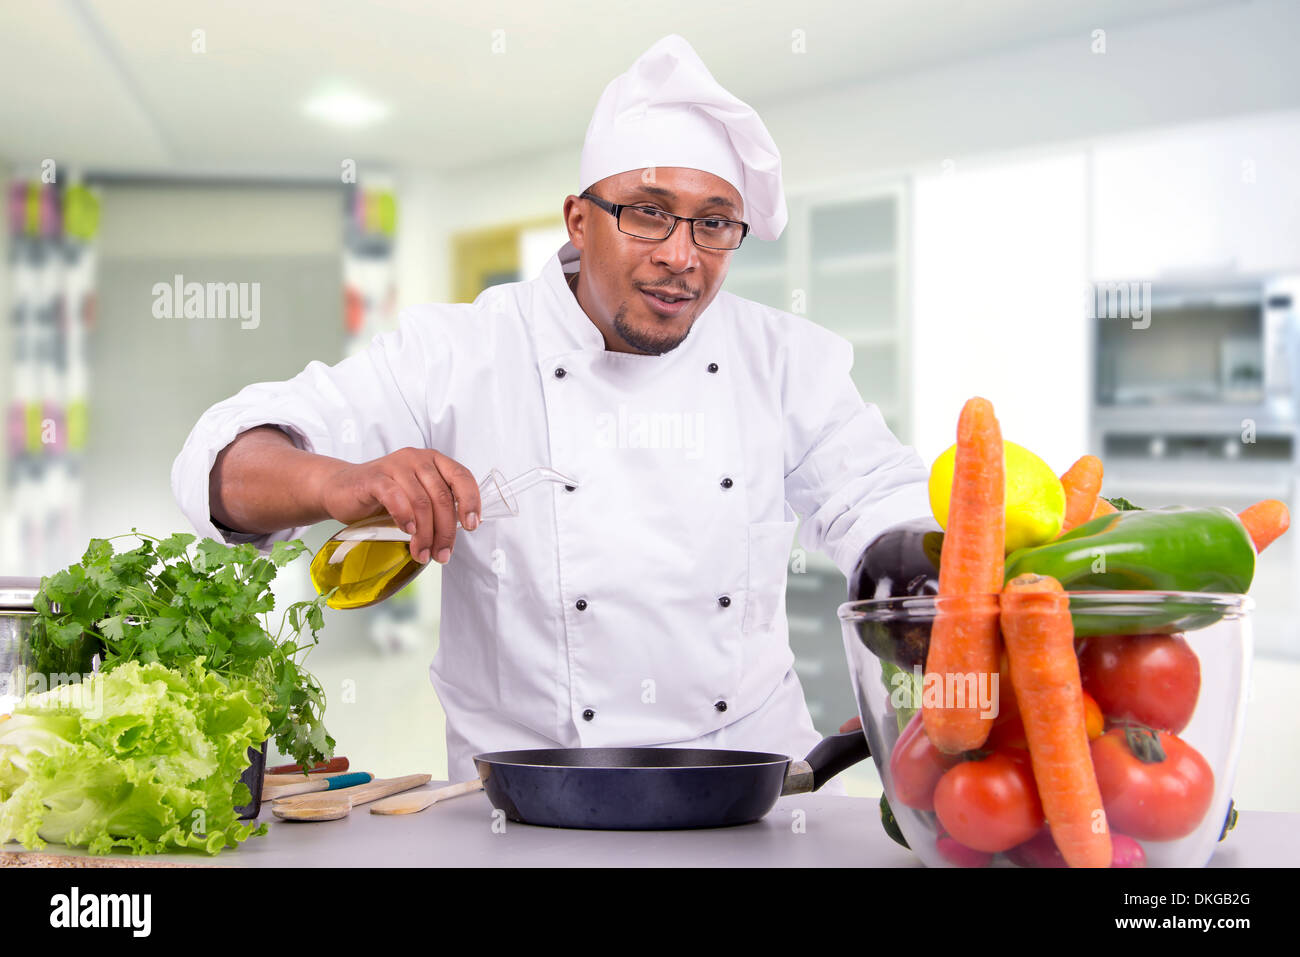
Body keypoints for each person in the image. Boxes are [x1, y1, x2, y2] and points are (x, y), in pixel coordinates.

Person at [172, 34, 931, 793]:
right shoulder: (459, 352)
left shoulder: (785, 360)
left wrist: (931, 615)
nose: (682, 255)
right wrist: (336, 481)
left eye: (714, 223)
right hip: (525, 806)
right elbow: (219, 466)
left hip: (755, 791)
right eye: (647, 213)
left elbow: (879, 502)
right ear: (578, 218)